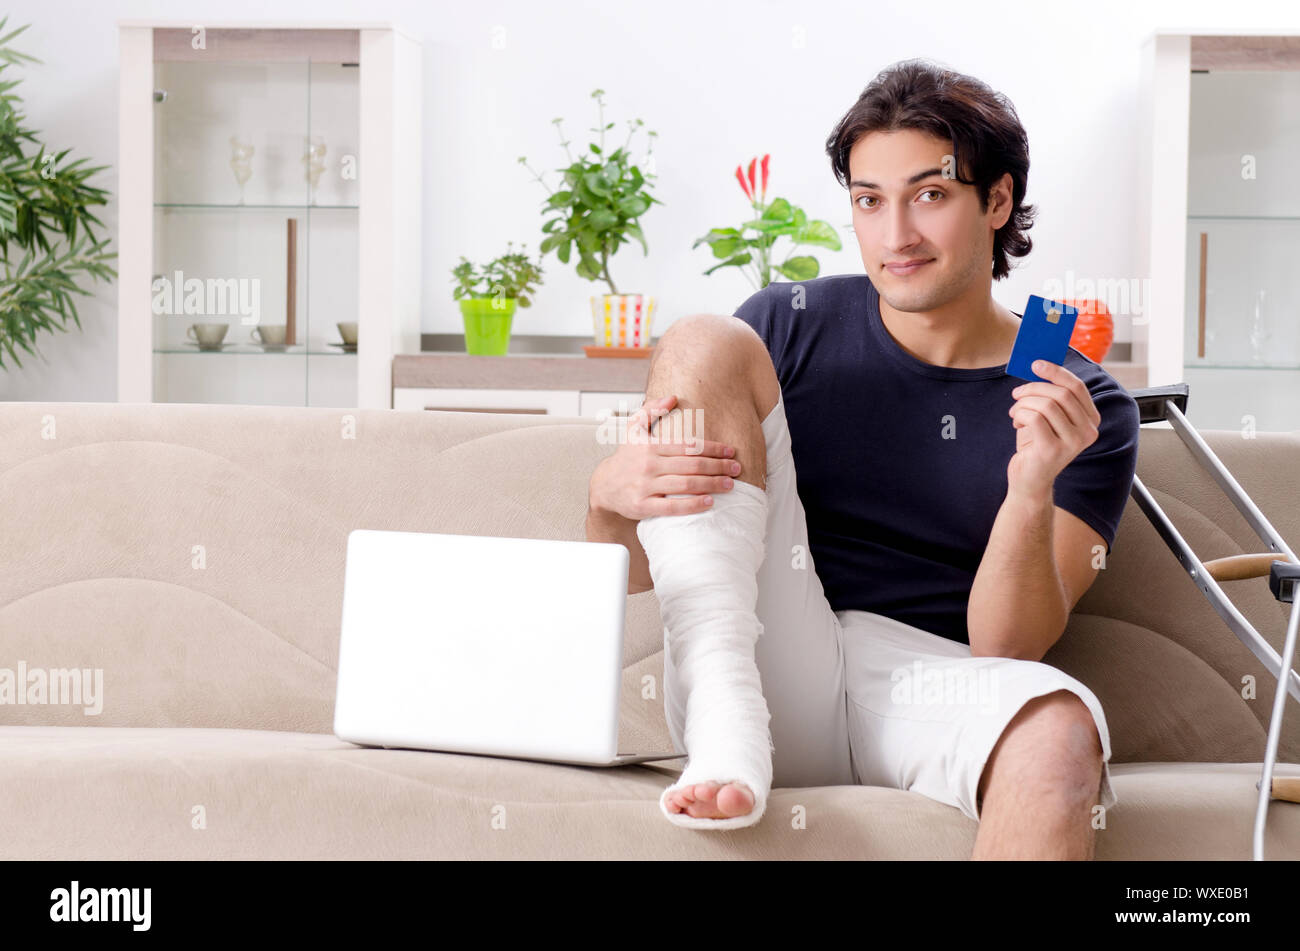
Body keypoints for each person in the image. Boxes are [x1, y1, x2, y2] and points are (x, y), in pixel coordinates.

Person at [585, 58, 1140, 859]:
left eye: (930, 195)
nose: (896, 236)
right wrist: (609, 499)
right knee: (701, 337)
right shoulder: (785, 324)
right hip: (765, 652)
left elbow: (1006, 647)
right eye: (869, 201)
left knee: (1059, 728)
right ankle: (726, 724)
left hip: (935, 683)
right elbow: (635, 573)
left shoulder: (1082, 405)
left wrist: (1029, 485)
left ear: (997, 200)